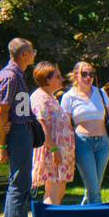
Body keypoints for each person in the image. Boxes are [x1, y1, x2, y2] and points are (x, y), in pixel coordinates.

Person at [0, 37, 36, 217]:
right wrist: (2, 146)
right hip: (18, 133)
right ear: (24, 55)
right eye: (32, 51)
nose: (34, 54)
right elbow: (1, 113)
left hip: (21, 131)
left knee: (18, 181)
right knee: (20, 182)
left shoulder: (17, 75)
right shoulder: (10, 76)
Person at [60, 62, 109, 205]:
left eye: (91, 74)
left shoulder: (101, 93)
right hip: (83, 143)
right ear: (76, 75)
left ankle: (83, 214)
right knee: (94, 188)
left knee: (93, 186)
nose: (88, 77)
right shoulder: (69, 97)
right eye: (84, 74)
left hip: (103, 143)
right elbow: (64, 125)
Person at [30, 62, 75, 205]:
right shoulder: (40, 98)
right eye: (58, 77)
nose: (62, 79)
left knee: (58, 191)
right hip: (52, 152)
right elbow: (42, 126)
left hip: (61, 152)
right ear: (47, 79)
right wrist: (54, 149)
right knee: (54, 192)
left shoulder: (51, 97)